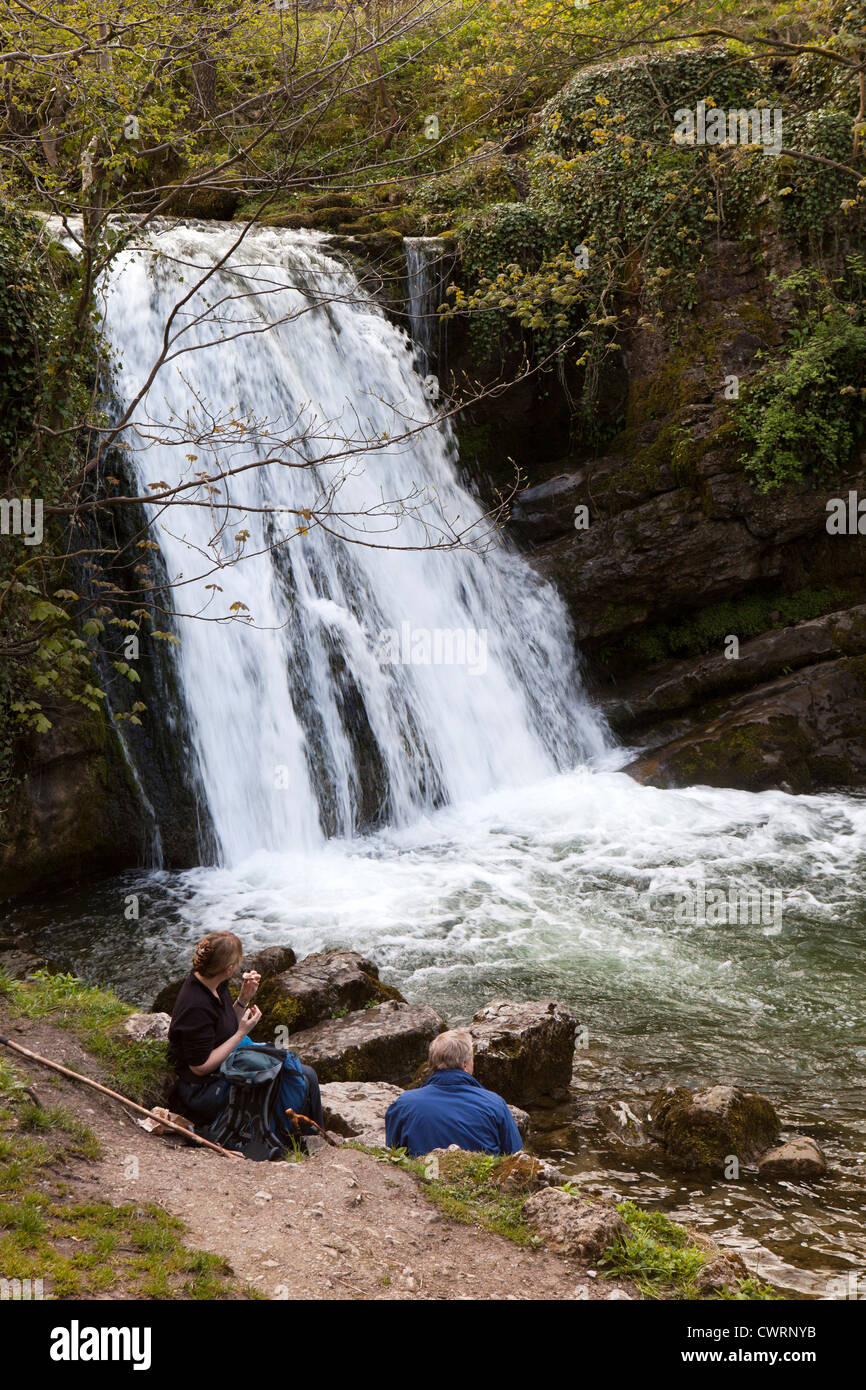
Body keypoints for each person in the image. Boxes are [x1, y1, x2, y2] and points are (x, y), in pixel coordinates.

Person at [167, 931, 323, 1131]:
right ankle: (292, 1135)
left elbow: (223, 1028)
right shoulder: (195, 1005)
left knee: (304, 1073)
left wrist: (243, 999)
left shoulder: (214, 983)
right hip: (203, 1088)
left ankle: (312, 1133)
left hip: (225, 1063)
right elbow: (199, 1067)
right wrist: (242, 1032)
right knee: (297, 1077)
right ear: (229, 969)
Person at [384, 1028, 522, 1157]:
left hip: (423, 1179)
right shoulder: (495, 1104)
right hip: (479, 1180)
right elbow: (515, 1157)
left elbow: (394, 1153)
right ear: (465, 1065)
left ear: (432, 1063)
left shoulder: (404, 1104)